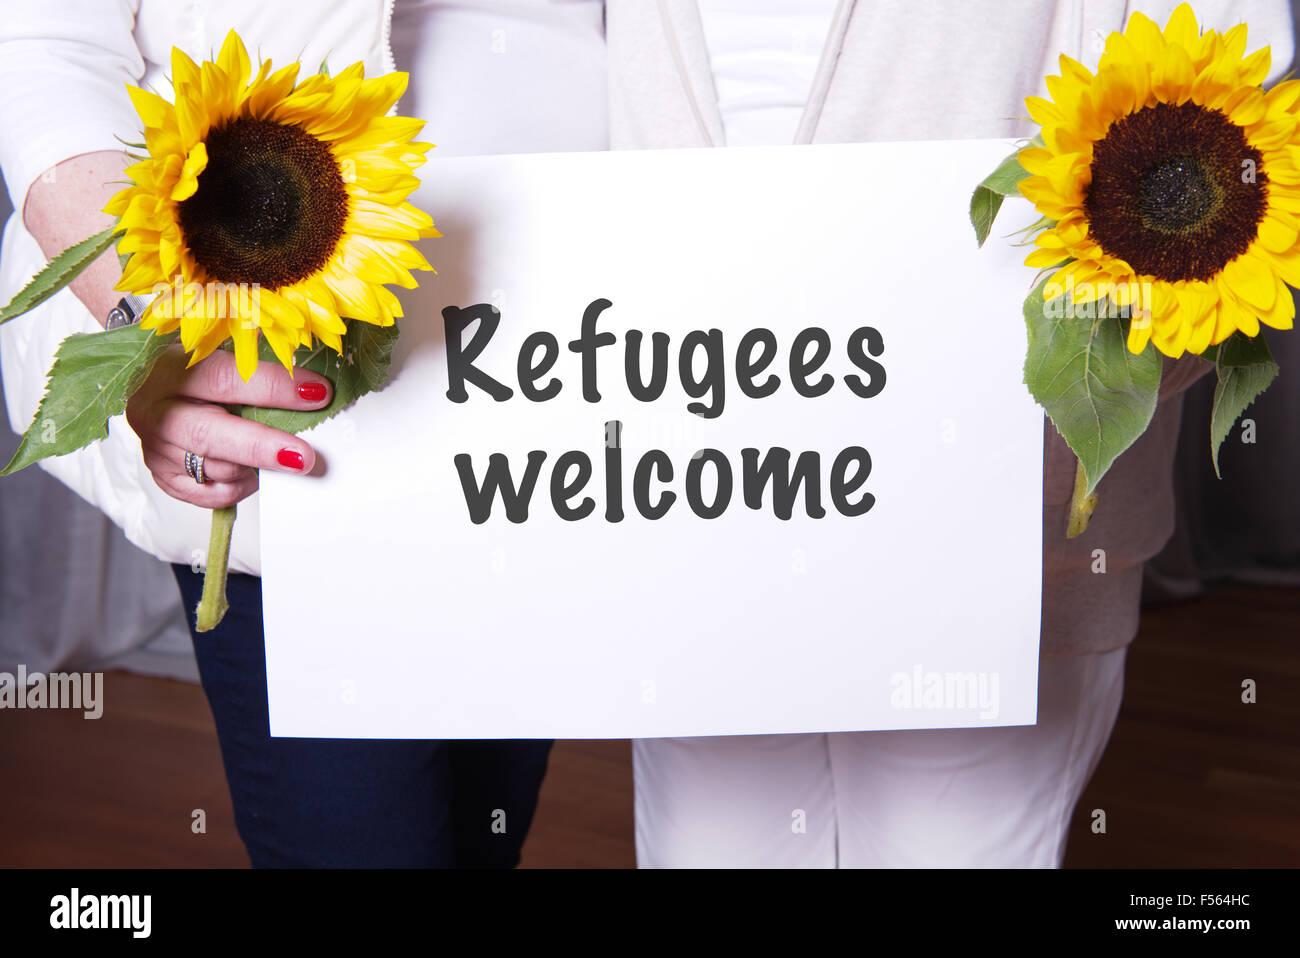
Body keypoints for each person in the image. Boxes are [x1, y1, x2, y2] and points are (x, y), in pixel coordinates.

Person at [610, 0, 1294, 866]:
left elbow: (1243, 138)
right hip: (687, 515)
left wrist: (1079, 367)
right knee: (715, 849)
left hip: (1002, 538)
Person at [0, 0, 607, 867]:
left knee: (487, 832)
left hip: (552, 400)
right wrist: (156, 327)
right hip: (279, 404)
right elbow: (43, 43)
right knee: (358, 843)